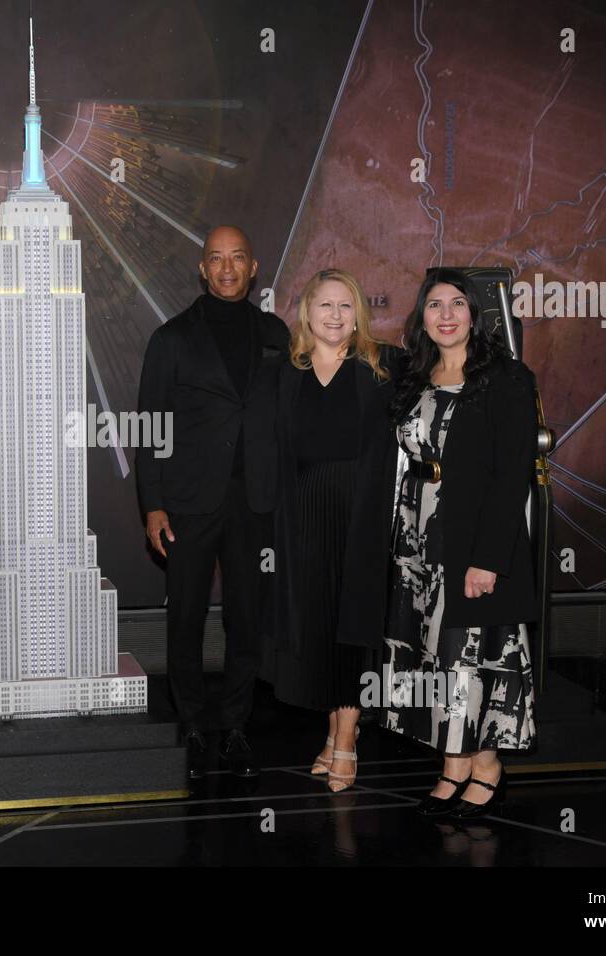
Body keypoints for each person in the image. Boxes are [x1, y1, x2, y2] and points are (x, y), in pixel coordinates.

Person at [380, 268, 538, 819]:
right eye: (433, 305)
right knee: (437, 657)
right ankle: (452, 762)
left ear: (474, 313)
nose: (445, 315)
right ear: (421, 317)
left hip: (474, 539)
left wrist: (488, 560)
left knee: (474, 654)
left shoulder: (506, 379)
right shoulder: (413, 377)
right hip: (419, 540)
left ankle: (484, 763)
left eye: (456, 304)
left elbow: (511, 475)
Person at [136, 225, 289, 779]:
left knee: (248, 619)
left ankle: (236, 722)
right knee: (187, 618)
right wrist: (152, 505)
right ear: (202, 269)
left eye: (238, 258)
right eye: (216, 259)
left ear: (254, 267)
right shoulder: (171, 338)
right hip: (187, 503)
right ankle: (195, 724)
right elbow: (150, 426)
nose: (227, 268)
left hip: (256, 503)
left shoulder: (276, 333)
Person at [263, 268, 401, 792]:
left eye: (347, 306)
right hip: (301, 515)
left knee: (352, 629)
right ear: (307, 311)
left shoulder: (381, 366)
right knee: (319, 629)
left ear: (359, 313)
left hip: (359, 511)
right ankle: (333, 735)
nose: (336, 316)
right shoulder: (286, 373)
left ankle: (347, 741)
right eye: (326, 305)